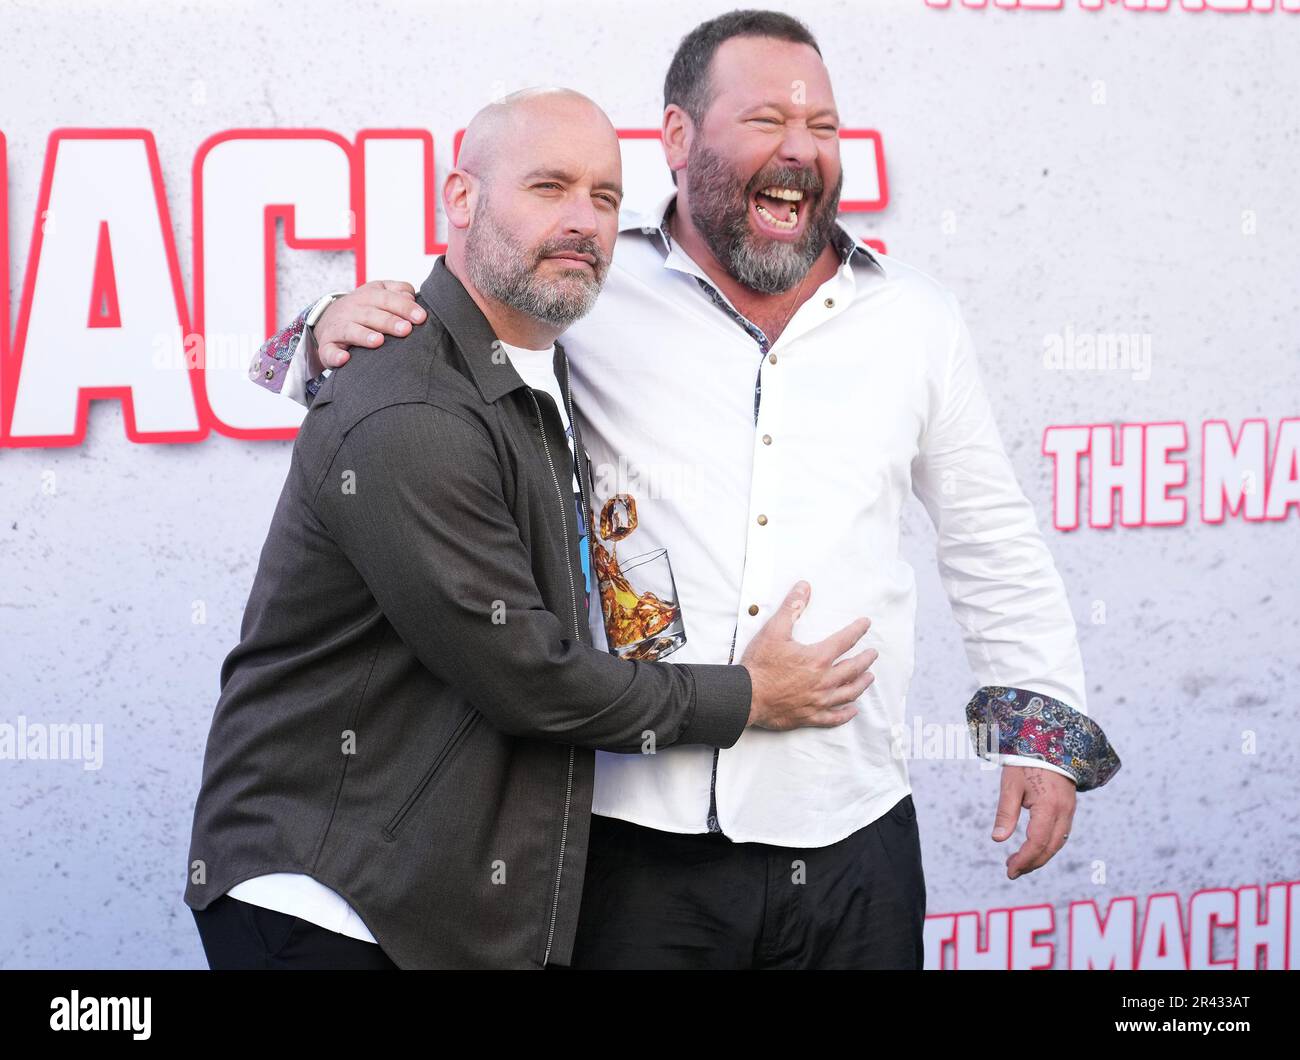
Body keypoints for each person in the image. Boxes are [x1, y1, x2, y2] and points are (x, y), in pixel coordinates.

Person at [253, 11, 1121, 969]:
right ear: (677, 139)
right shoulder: (585, 282)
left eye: (822, 129)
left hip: (852, 829)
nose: (800, 152)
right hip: (630, 838)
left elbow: (987, 532)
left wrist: (1038, 729)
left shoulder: (916, 319)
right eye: (765, 123)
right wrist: (321, 325)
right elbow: (434, 348)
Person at [187, 85, 878, 970]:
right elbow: (529, 679)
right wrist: (747, 697)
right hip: (330, 902)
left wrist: (310, 325)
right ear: (461, 198)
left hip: (428, 890)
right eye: (549, 187)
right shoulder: (411, 405)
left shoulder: (543, 357)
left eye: (604, 197)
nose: (584, 221)